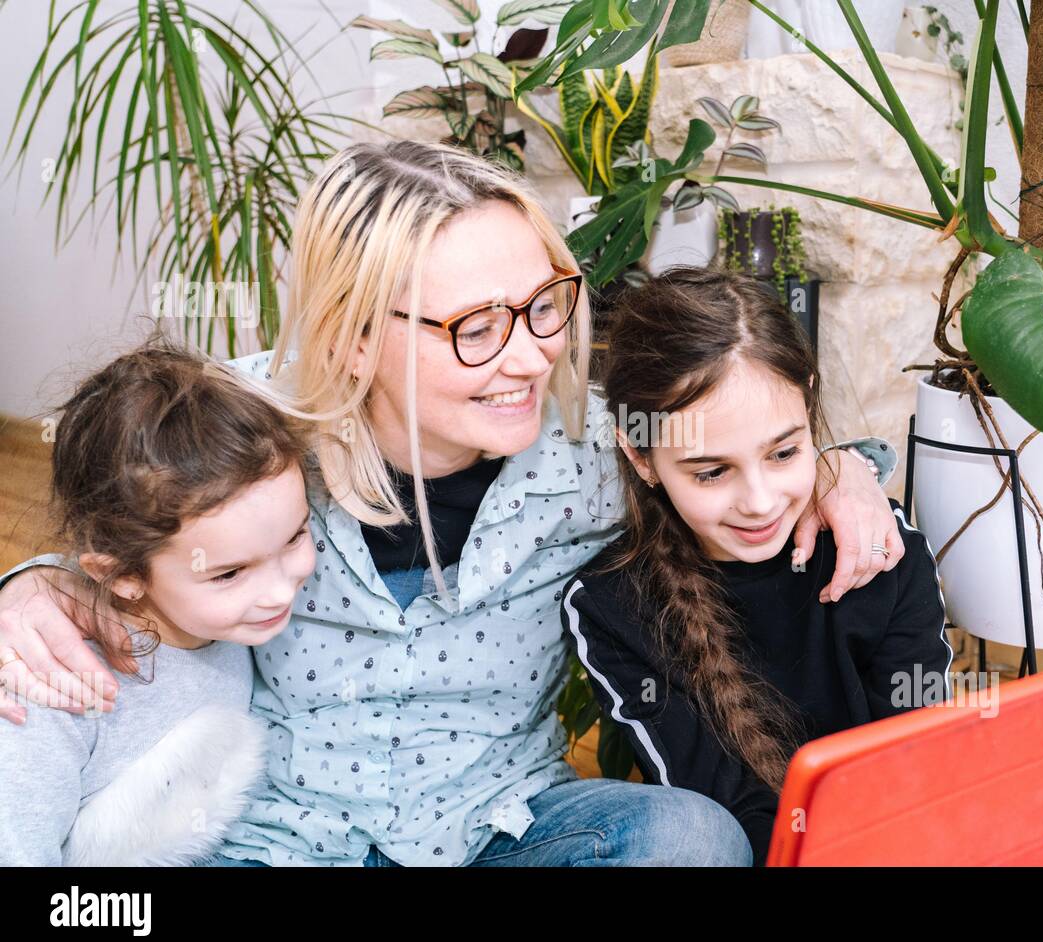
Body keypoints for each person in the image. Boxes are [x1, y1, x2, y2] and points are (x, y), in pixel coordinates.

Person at [0, 141, 907, 867]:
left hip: (502, 826)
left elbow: (745, 450)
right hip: (280, 840)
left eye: (543, 307)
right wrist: (33, 585)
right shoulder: (245, 435)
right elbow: (120, 519)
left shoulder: (596, 457)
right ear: (353, 339)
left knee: (689, 840)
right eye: (475, 328)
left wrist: (840, 470)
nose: (529, 358)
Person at [561, 268, 1043, 864]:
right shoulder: (611, 605)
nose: (761, 501)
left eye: (785, 452)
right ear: (640, 455)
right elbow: (726, 824)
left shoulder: (880, 552)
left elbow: (926, 759)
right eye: (711, 472)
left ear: (811, 406)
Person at [0, 344, 318, 865]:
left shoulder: (224, 620)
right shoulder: (52, 691)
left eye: (295, 537)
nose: (282, 591)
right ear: (122, 573)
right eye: (230, 573)